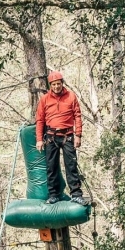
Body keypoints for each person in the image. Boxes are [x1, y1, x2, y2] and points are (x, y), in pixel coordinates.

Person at [35, 70, 88, 206]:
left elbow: (77, 115)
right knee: (51, 166)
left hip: (67, 135)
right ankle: (54, 194)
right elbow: (40, 120)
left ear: (62, 83)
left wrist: (78, 135)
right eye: (53, 84)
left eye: (58, 84)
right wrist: (39, 139)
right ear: (50, 85)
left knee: (71, 165)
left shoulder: (71, 96)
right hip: (51, 136)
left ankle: (76, 194)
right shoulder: (45, 99)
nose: (56, 87)